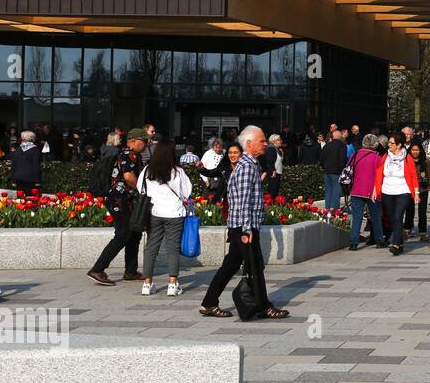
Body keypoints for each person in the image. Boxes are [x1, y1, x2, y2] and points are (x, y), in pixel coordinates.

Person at [199, 126, 287, 320]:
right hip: (244, 227)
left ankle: (209, 303)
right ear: (248, 144)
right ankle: (264, 306)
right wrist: (247, 229)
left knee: (230, 266)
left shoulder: (249, 164)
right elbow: (242, 201)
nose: (265, 144)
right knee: (255, 266)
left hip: (240, 225)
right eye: (262, 141)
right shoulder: (247, 166)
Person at [87, 127, 148, 286]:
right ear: (133, 141)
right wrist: (143, 191)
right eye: (144, 141)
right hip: (118, 199)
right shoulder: (127, 154)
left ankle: (131, 271)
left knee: (135, 233)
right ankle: (98, 269)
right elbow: (128, 177)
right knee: (123, 233)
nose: (146, 144)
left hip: (127, 199)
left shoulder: (136, 155)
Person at [138, 140, 192, 298]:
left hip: (155, 212)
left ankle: (147, 283)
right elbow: (187, 191)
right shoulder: (178, 171)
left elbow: (140, 188)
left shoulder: (148, 170)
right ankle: (172, 284)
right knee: (172, 248)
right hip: (175, 213)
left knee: (151, 247)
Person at [378, 135, 419, 256]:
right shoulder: (385, 156)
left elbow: (413, 175)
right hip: (387, 191)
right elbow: (379, 173)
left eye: (392, 143)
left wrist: (416, 193)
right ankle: (400, 242)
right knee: (393, 218)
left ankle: (395, 244)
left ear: (399, 145)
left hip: (403, 190)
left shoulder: (407, 158)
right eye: (389, 143)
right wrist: (377, 189)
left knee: (397, 215)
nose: (389, 145)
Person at [346, 134, 384, 251]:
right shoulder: (377, 158)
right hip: (372, 192)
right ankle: (379, 240)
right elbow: (382, 175)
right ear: (375, 145)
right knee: (375, 217)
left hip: (356, 190)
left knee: (356, 217)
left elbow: (348, 171)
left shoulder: (355, 155)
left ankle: (353, 242)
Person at [403, 140, 430, 241]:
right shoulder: (406, 161)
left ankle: (422, 232)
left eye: (417, 150)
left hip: (422, 188)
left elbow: (429, 174)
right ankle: (406, 230)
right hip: (410, 188)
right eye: (413, 150)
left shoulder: (425, 161)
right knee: (409, 210)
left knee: (422, 212)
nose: (415, 152)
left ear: (420, 151)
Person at [320, 129, 348, 211]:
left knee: (328, 190)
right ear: (340, 137)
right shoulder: (342, 145)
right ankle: (334, 208)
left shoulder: (326, 145)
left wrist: (324, 166)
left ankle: (327, 208)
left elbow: (321, 159)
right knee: (336, 189)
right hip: (337, 171)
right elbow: (343, 159)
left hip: (327, 170)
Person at [8, 130, 42, 194]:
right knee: (30, 199)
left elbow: (14, 165)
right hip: (30, 178)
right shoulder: (35, 150)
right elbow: (36, 166)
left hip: (18, 177)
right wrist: (38, 180)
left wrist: (13, 179)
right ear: (32, 138)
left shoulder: (18, 149)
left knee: (20, 199)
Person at [262, 134, 284, 200]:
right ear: (274, 141)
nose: (281, 141)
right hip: (274, 174)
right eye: (279, 140)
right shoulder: (271, 148)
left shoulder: (277, 149)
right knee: (272, 192)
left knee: (275, 192)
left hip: (277, 173)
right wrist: (273, 171)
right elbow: (270, 162)